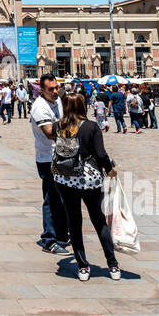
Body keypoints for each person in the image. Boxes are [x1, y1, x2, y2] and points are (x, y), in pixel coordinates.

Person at [51, 92, 121, 281]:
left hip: (65, 179)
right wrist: (110, 169)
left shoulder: (58, 126)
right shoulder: (91, 126)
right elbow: (100, 153)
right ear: (83, 106)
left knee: (74, 222)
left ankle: (83, 267)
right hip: (88, 179)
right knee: (98, 220)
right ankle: (112, 265)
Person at [29, 74, 69, 254]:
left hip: (62, 155)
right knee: (51, 199)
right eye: (50, 89)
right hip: (48, 158)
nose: (55, 91)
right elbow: (49, 132)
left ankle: (62, 234)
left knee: (62, 198)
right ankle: (49, 239)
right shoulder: (39, 107)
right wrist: (75, 128)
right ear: (41, 90)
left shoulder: (58, 100)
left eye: (56, 87)